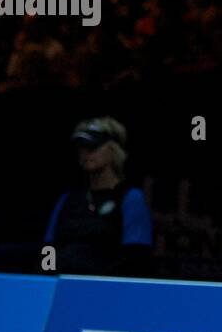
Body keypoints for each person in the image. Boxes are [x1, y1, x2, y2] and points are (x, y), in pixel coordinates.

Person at [44, 117, 153, 276]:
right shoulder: (67, 199)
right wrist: (47, 281)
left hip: (105, 291)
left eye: (93, 146)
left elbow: (136, 257)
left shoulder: (130, 197)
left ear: (114, 149)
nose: (85, 153)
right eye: (81, 147)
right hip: (63, 287)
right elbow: (48, 248)